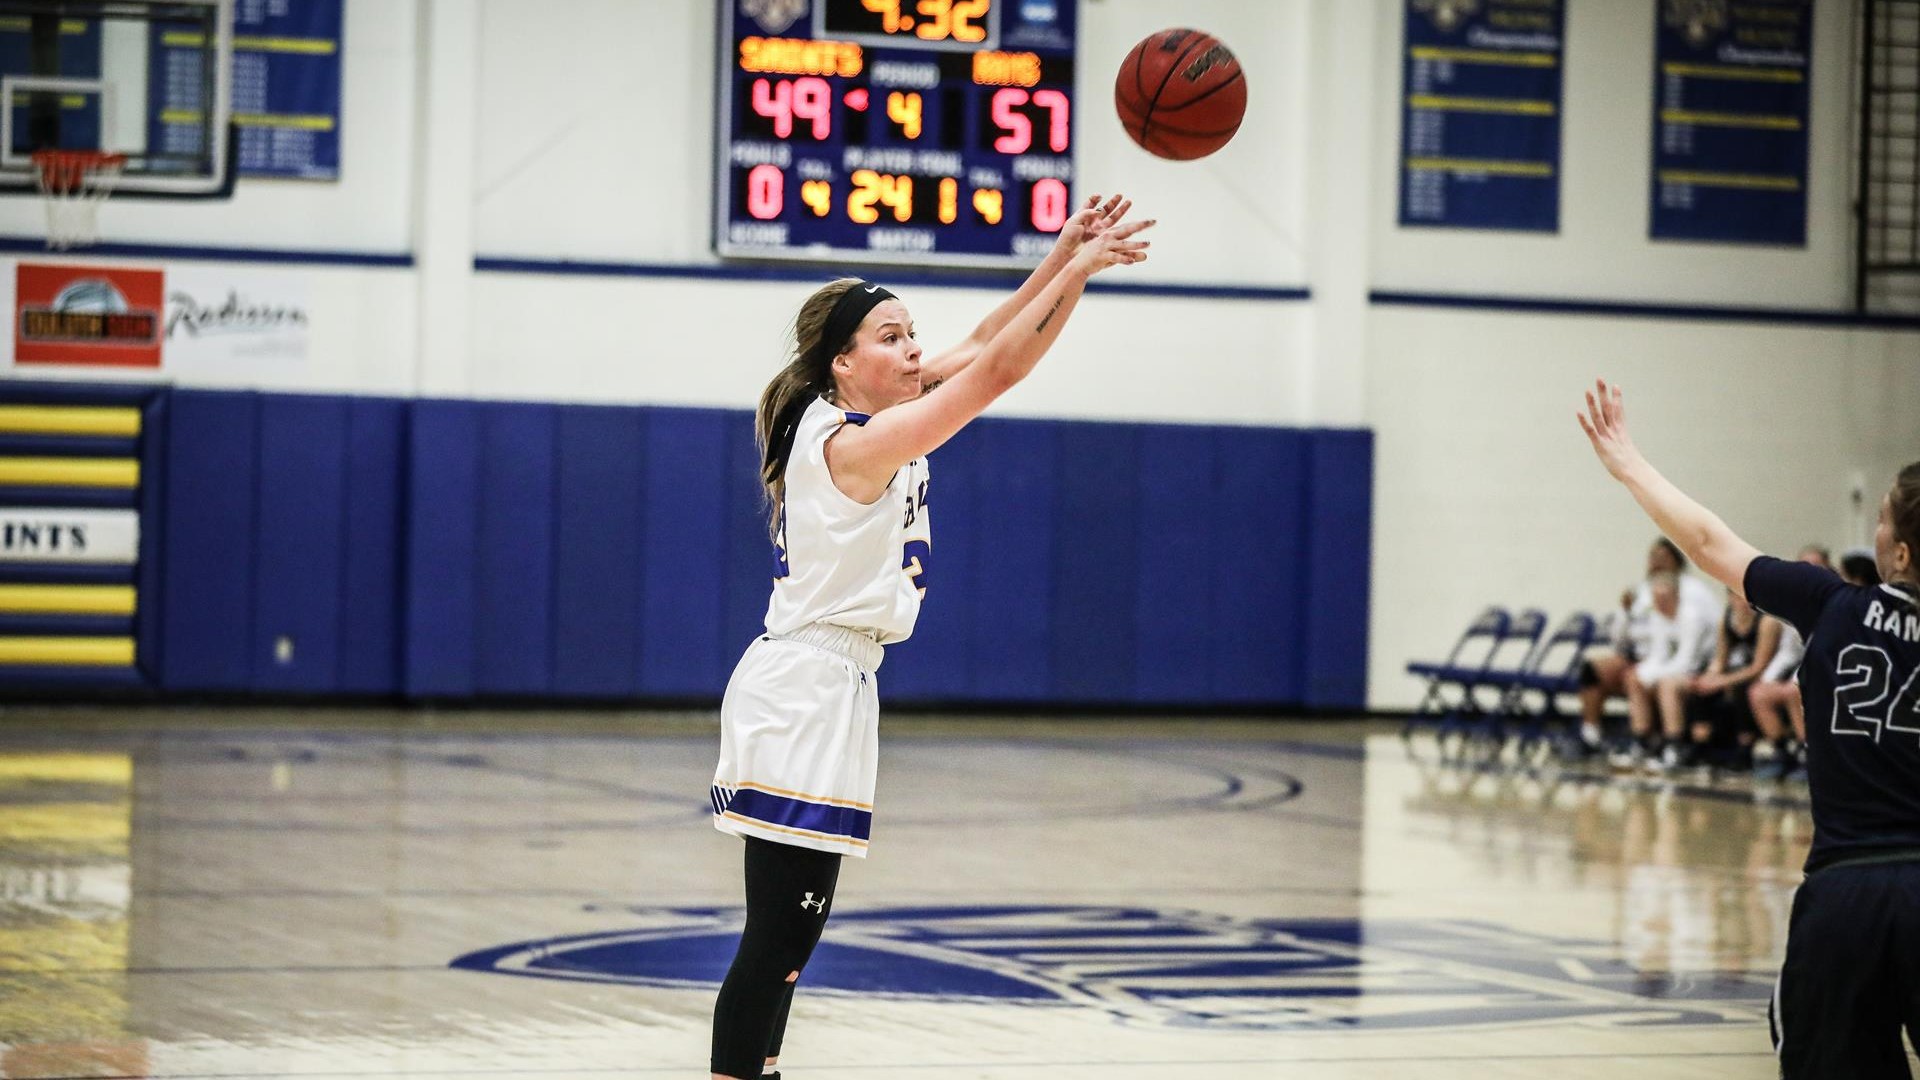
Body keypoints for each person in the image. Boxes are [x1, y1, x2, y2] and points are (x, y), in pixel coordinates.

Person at [705, 195, 1153, 1080]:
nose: (913, 348)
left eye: (914, 333)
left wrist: (1061, 253)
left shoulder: (865, 421)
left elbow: (988, 343)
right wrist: (1081, 272)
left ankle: (756, 1070)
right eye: (892, 335)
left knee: (796, 931)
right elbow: (996, 376)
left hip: (833, 685)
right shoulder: (848, 443)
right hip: (804, 688)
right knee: (779, 933)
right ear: (844, 363)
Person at [1577, 377, 1920, 1077]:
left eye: (1882, 517)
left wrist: (1629, 464)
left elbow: (1706, 542)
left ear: (1902, 554)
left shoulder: (1832, 604)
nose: (1875, 530)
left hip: (1847, 891)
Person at [1576, 538, 1720, 753]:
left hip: (1687, 663)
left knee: (1650, 680)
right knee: (1594, 669)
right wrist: (1624, 612)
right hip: (1642, 656)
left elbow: (1700, 646)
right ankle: (1594, 735)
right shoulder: (1641, 591)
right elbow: (1619, 641)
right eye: (1652, 557)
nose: (1656, 562)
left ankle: (1671, 743)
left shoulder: (1694, 594)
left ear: (1677, 560)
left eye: (1662, 557)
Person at [1659, 589, 1779, 772]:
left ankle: (1745, 748)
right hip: (1734, 671)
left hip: (1764, 674)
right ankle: (1701, 746)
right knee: (1700, 686)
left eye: (1744, 596)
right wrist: (1708, 677)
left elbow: (1758, 667)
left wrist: (1722, 681)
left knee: (1741, 690)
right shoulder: (1727, 618)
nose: (1741, 601)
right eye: (1736, 596)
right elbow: (1721, 660)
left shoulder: (1767, 621)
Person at [1607, 571, 1717, 769]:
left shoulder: (1692, 617)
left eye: (1664, 598)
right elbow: (1659, 655)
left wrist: (1652, 676)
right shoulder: (1659, 615)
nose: (1659, 604)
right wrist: (1642, 675)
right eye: (1656, 599)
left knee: (1666, 685)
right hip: (1676, 669)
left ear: (1676, 595)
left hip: (1703, 671)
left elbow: (1687, 661)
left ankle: (1674, 747)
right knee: (1634, 678)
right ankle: (1641, 743)